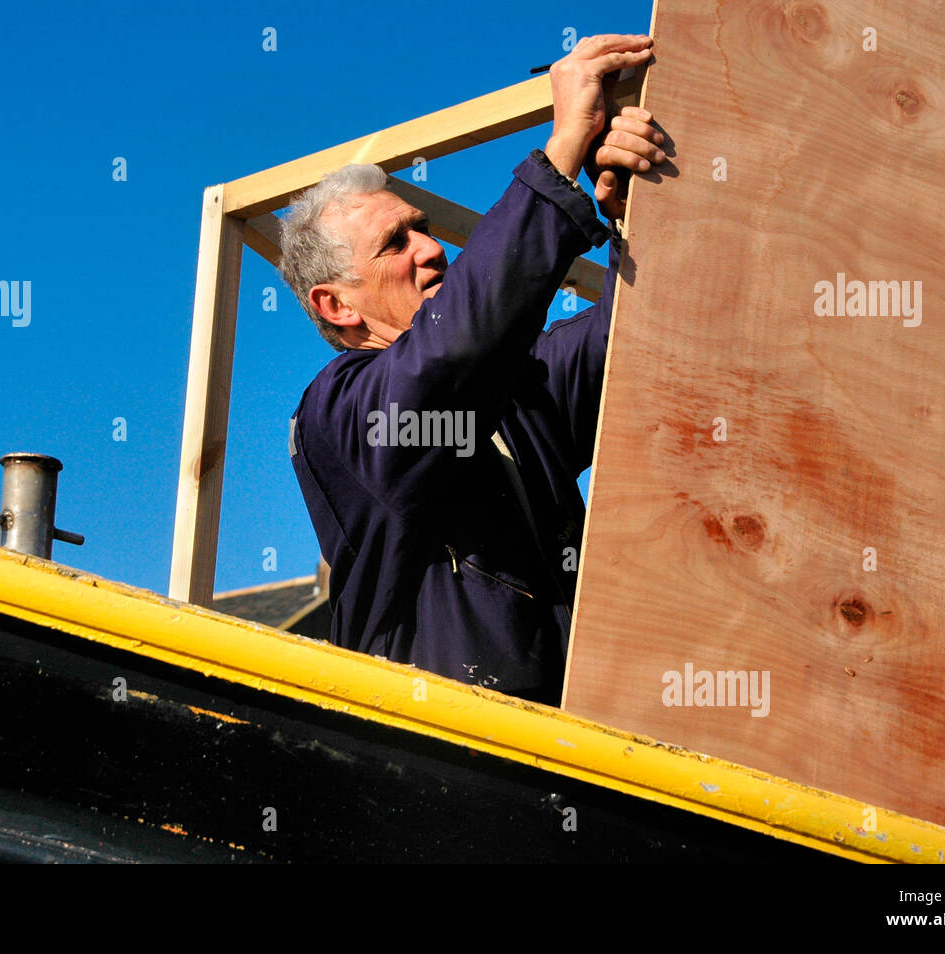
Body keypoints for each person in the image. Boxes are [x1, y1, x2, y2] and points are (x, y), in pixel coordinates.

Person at [279, 35, 666, 705]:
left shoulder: (520, 391)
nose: (432, 248)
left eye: (424, 226)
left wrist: (641, 215)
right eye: (394, 244)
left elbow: (645, 336)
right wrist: (566, 146)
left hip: (579, 755)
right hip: (442, 776)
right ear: (335, 304)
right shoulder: (341, 415)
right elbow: (448, 357)